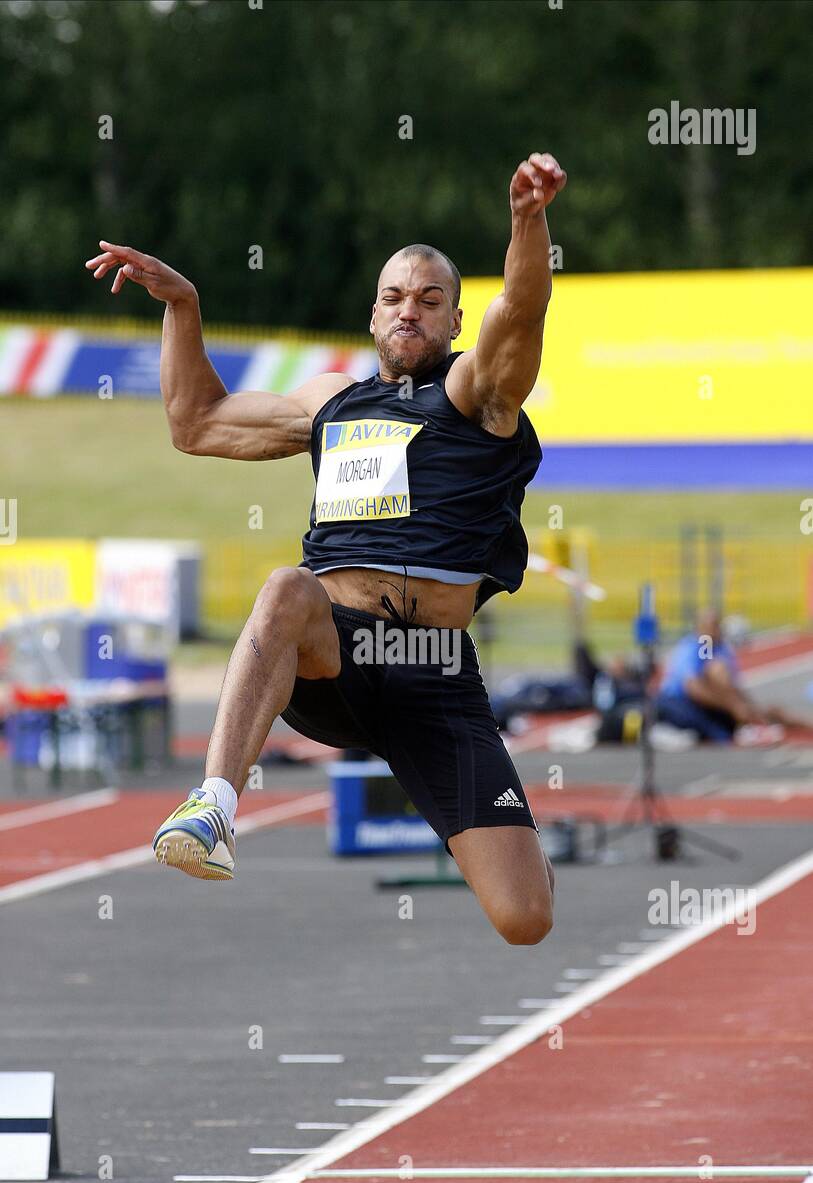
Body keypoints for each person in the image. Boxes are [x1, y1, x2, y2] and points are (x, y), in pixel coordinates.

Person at [85, 151, 567, 946]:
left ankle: (515, 845)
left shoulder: (476, 397)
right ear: (373, 316)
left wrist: (525, 218)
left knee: (525, 919)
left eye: (429, 299)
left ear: (451, 322)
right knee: (286, 587)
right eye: (392, 297)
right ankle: (215, 807)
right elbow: (195, 422)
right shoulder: (330, 402)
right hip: (332, 654)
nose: (408, 310)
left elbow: (519, 311)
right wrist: (183, 305)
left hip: (432, 673)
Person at [655, 609, 813, 742]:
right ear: (700, 628)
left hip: (715, 702)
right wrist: (734, 707)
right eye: (711, 626)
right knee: (722, 731)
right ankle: (748, 724)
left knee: (770, 711)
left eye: (717, 626)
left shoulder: (720, 649)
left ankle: (800, 724)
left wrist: (748, 707)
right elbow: (693, 688)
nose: (715, 631)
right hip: (680, 703)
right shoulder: (691, 648)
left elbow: (731, 686)